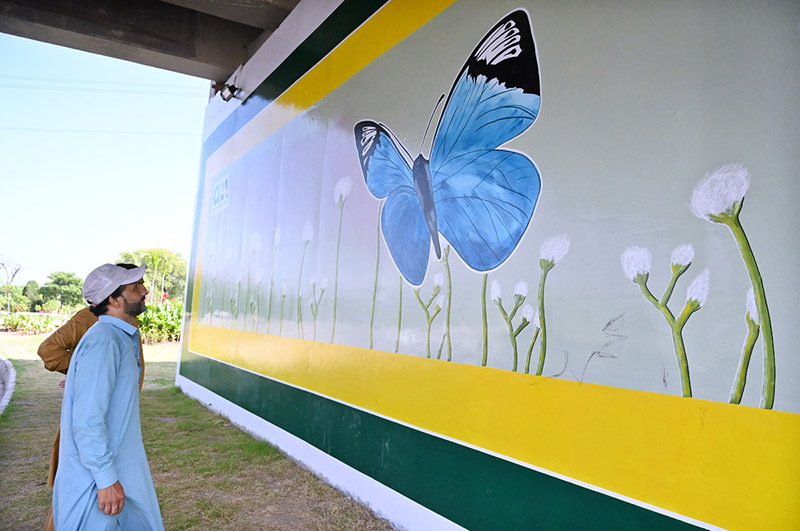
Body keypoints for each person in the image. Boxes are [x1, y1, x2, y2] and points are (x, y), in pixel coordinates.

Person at [52, 263, 163, 530]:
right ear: (113, 299)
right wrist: (105, 480)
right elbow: (88, 421)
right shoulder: (105, 341)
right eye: (135, 287)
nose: (144, 290)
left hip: (117, 473)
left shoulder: (115, 336)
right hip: (97, 486)